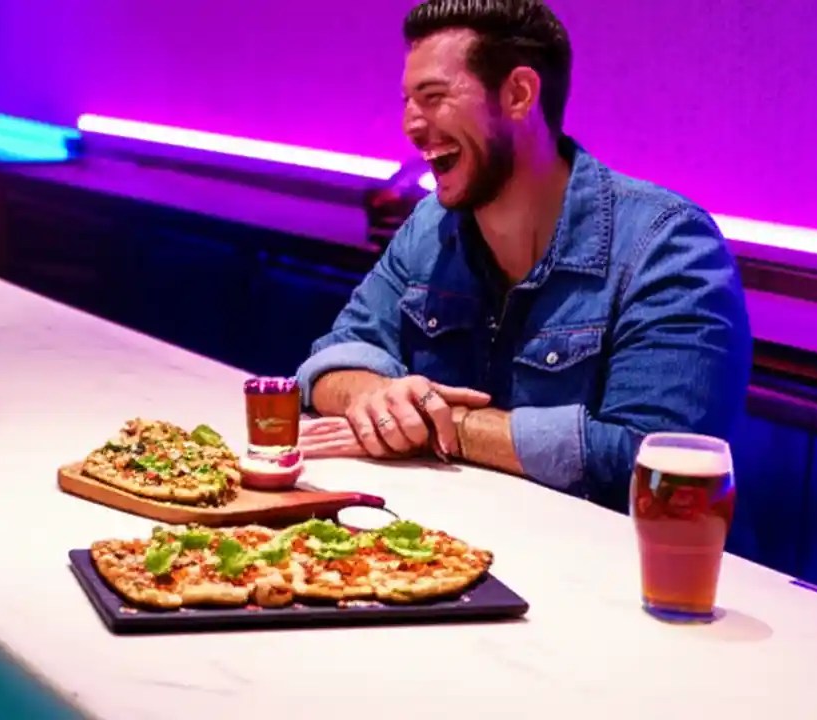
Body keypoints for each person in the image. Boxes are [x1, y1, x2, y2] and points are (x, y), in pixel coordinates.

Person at [296, 0, 751, 511]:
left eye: (434, 97)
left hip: (612, 574)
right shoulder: (430, 225)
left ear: (518, 95)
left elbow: (652, 463)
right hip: (448, 537)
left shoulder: (667, 245)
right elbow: (330, 358)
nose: (410, 124)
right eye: (407, 100)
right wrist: (372, 396)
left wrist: (452, 425)